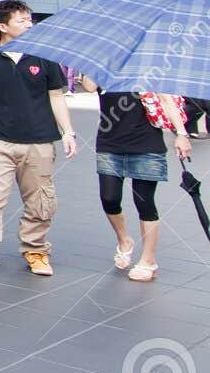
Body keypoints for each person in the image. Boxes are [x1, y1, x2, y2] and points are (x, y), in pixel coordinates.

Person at [0, 0, 80, 277]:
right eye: (22, 20)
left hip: (39, 141)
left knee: (41, 199)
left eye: (30, 19)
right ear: (3, 26)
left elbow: (56, 96)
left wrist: (68, 131)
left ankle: (36, 249)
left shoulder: (45, 55)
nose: (30, 24)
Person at [80, 81, 191, 283]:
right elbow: (88, 86)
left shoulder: (147, 70)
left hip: (146, 145)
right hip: (109, 144)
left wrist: (181, 134)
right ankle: (124, 240)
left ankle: (148, 260)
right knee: (109, 198)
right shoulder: (106, 70)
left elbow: (166, 101)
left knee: (144, 202)